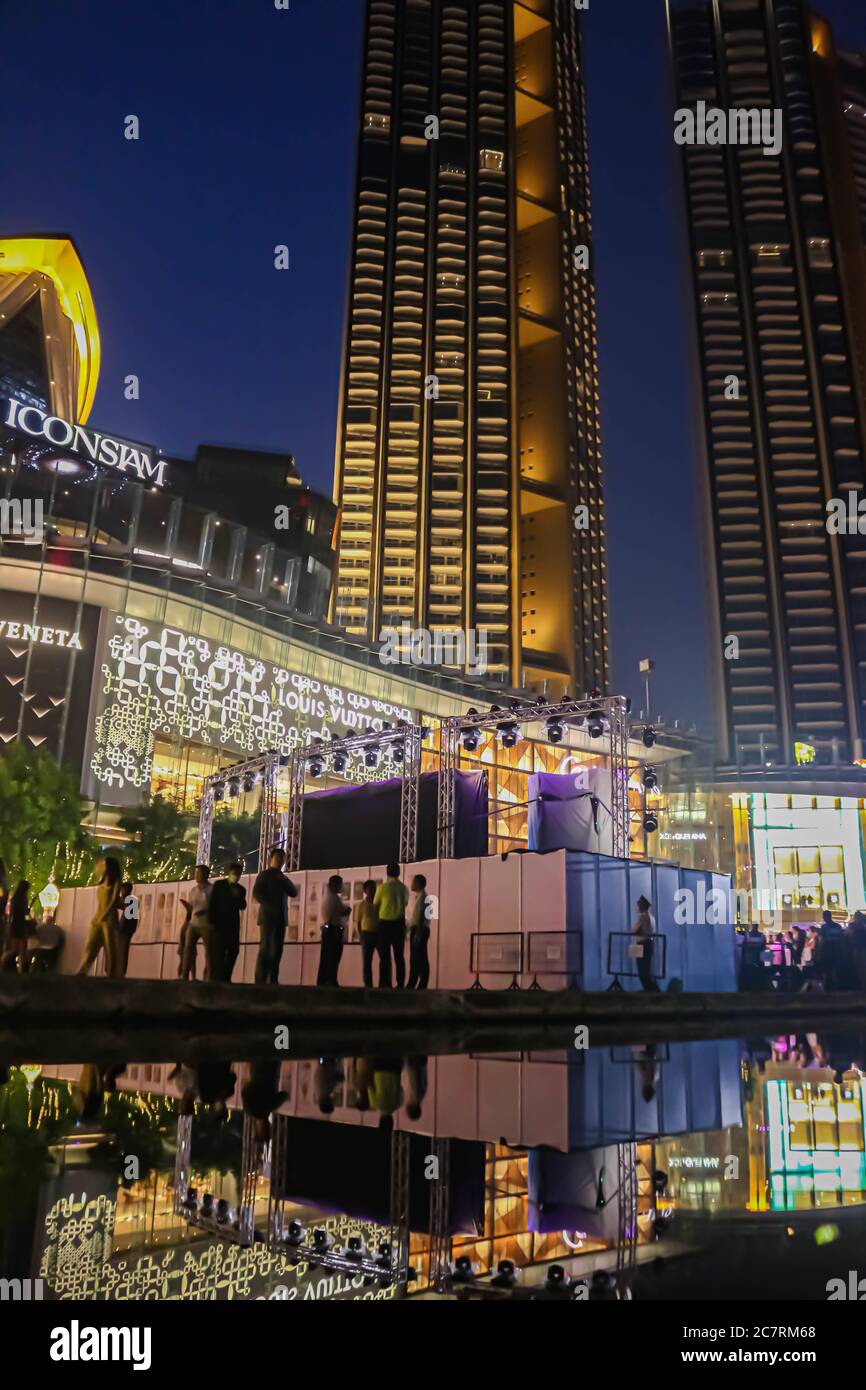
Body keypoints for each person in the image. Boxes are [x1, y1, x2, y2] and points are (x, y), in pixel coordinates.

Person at [252, 847, 298, 985]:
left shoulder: (282, 877)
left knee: (277, 950)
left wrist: (284, 880)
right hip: (267, 917)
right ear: (270, 859)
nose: (280, 860)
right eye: (277, 857)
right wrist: (270, 905)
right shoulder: (264, 875)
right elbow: (257, 893)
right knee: (265, 948)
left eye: (282, 858)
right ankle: (260, 979)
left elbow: (294, 892)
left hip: (280, 918)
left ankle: (273, 979)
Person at [77, 857, 122, 977]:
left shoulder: (116, 882)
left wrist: (105, 915)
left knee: (110, 948)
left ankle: (113, 974)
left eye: (103, 864)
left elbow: (113, 901)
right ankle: (82, 971)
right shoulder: (102, 882)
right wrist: (98, 916)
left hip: (109, 918)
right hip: (98, 917)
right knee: (91, 946)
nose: (100, 866)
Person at [209, 862, 247, 982]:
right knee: (219, 952)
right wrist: (212, 922)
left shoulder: (241, 889)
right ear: (229, 873)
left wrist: (237, 896)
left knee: (233, 951)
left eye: (239, 874)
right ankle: (218, 978)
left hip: (233, 925)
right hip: (219, 924)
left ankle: (226, 976)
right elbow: (212, 903)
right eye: (234, 873)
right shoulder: (219, 885)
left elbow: (243, 906)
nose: (236, 876)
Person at [180, 865, 217, 981]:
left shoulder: (212, 889)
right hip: (194, 922)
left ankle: (209, 976)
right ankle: (184, 975)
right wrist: (187, 907)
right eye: (195, 873)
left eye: (199, 873)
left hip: (207, 923)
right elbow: (191, 908)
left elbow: (215, 906)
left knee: (209, 951)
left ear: (206, 875)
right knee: (188, 948)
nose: (196, 875)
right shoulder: (193, 890)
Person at [374, 863, 409, 989]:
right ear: (399, 873)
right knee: (399, 956)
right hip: (399, 924)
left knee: (384, 957)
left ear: (387, 873)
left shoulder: (382, 888)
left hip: (384, 925)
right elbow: (405, 904)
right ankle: (400, 983)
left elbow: (376, 905)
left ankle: (384, 983)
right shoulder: (404, 888)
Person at [318, 874, 350, 986]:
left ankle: (323, 981)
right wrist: (348, 910)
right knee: (333, 956)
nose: (341, 887)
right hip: (333, 930)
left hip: (328, 930)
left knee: (326, 957)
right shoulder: (334, 898)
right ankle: (331, 980)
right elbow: (343, 911)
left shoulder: (327, 896)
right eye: (340, 884)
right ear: (335, 885)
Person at [3, 880, 36, 973]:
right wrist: (28, 912)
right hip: (21, 925)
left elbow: (13, 913)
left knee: (15, 950)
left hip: (15, 924)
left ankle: (4, 962)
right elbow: (24, 912)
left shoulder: (15, 898)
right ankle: (22, 970)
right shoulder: (23, 899)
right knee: (22, 949)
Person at [353, 879, 381, 988]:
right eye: (371, 888)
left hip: (379, 934)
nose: (373, 890)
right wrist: (361, 936)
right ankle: (368, 984)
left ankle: (384, 983)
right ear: (365, 890)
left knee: (384, 959)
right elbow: (358, 922)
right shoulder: (361, 905)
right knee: (367, 961)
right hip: (367, 934)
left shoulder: (379, 903)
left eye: (374, 888)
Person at [406, 873, 432, 990]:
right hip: (418, 929)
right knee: (418, 957)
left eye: (413, 881)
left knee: (419, 957)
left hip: (419, 929)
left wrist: (418, 933)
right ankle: (416, 982)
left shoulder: (424, 897)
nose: (411, 884)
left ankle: (418, 983)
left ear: (418, 883)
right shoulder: (420, 897)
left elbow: (421, 917)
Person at [633, 894, 659, 992]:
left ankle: (653, 991)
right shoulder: (649, 917)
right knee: (645, 971)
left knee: (643, 971)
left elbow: (635, 930)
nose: (637, 908)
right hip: (644, 944)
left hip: (642, 944)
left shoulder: (644, 917)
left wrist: (636, 928)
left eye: (638, 905)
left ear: (642, 906)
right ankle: (652, 991)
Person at [114, 880, 140, 978]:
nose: (121, 891)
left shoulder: (131, 900)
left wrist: (119, 927)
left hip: (125, 930)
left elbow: (127, 917)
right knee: (121, 951)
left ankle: (120, 972)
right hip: (125, 929)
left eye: (122, 889)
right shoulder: (131, 900)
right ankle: (119, 971)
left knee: (123, 951)